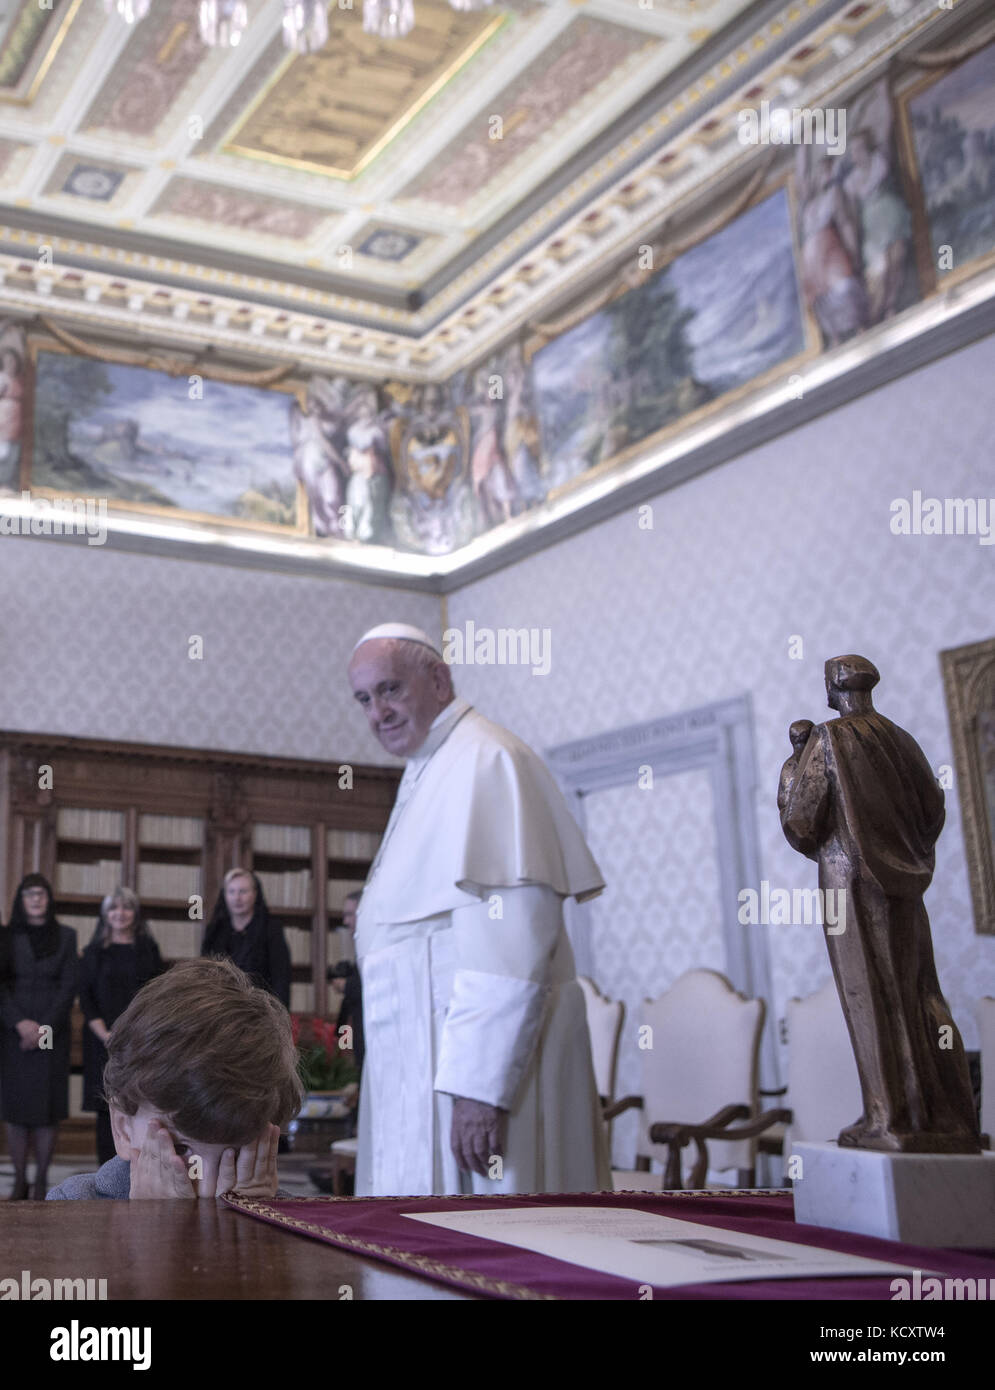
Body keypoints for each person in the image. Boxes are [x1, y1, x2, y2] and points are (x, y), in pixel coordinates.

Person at [347, 621, 611, 1196]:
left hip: (480, 1082)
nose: (378, 712)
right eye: (364, 699)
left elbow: (513, 943)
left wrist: (479, 1088)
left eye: (390, 689)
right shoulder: (428, 768)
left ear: (438, 679)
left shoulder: (489, 760)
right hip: (419, 1069)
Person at [779, 654, 980, 1153]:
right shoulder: (901, 739)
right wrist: (902, 849)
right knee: (917, 991)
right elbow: (933, 811)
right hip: (905, 887)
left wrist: (790, 779)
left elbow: (803, 824)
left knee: (868, 995)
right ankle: (944, 1119)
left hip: (849, 883)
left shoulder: (829, 739)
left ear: (833, 688)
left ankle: (888, 1117)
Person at [47, 957, 302, 1199]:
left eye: (235, 1156)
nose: (207, 1185)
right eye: (180, 1150)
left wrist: (251, 1227)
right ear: (123, 1128)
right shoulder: (72, 1202)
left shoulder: (288, 1218)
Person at [0, 873, 78, 1199]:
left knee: (47, 1108)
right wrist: (20, 1024)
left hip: (52, 1031)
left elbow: (68, 986)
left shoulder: (66, 935)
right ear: (21, 899)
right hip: (12, 1032)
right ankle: (19, 1180)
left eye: (41, 893)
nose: (36, 899)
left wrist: (42, 1028)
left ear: (49, 898)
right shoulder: (4, 936)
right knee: (16, 1108)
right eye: (29, 893)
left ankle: (43, 1180)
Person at [79, 886, 165, 1166]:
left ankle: (138, 1164)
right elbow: (86, 998)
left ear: (135, 915)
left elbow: (157, 993)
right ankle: (106, 1169)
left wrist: (135, 1032)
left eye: (126, 908)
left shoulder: (148, 950)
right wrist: (105, 1034)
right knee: (106, 1107)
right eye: (114, 908)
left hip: (139, 1039)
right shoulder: (92, 952)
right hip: (100, 1040)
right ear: (105, 915)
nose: (120, 914)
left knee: (139, 1102)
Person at [201, 868, 291, 1008]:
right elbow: (205, 974)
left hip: (261, 1010)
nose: (237, 898)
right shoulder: (215, 931)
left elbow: (281, 977)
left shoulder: (271, 928)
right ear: (224, 895)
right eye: (231, 892)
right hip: (220, 1008)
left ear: (255, 893)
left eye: (243, 891)